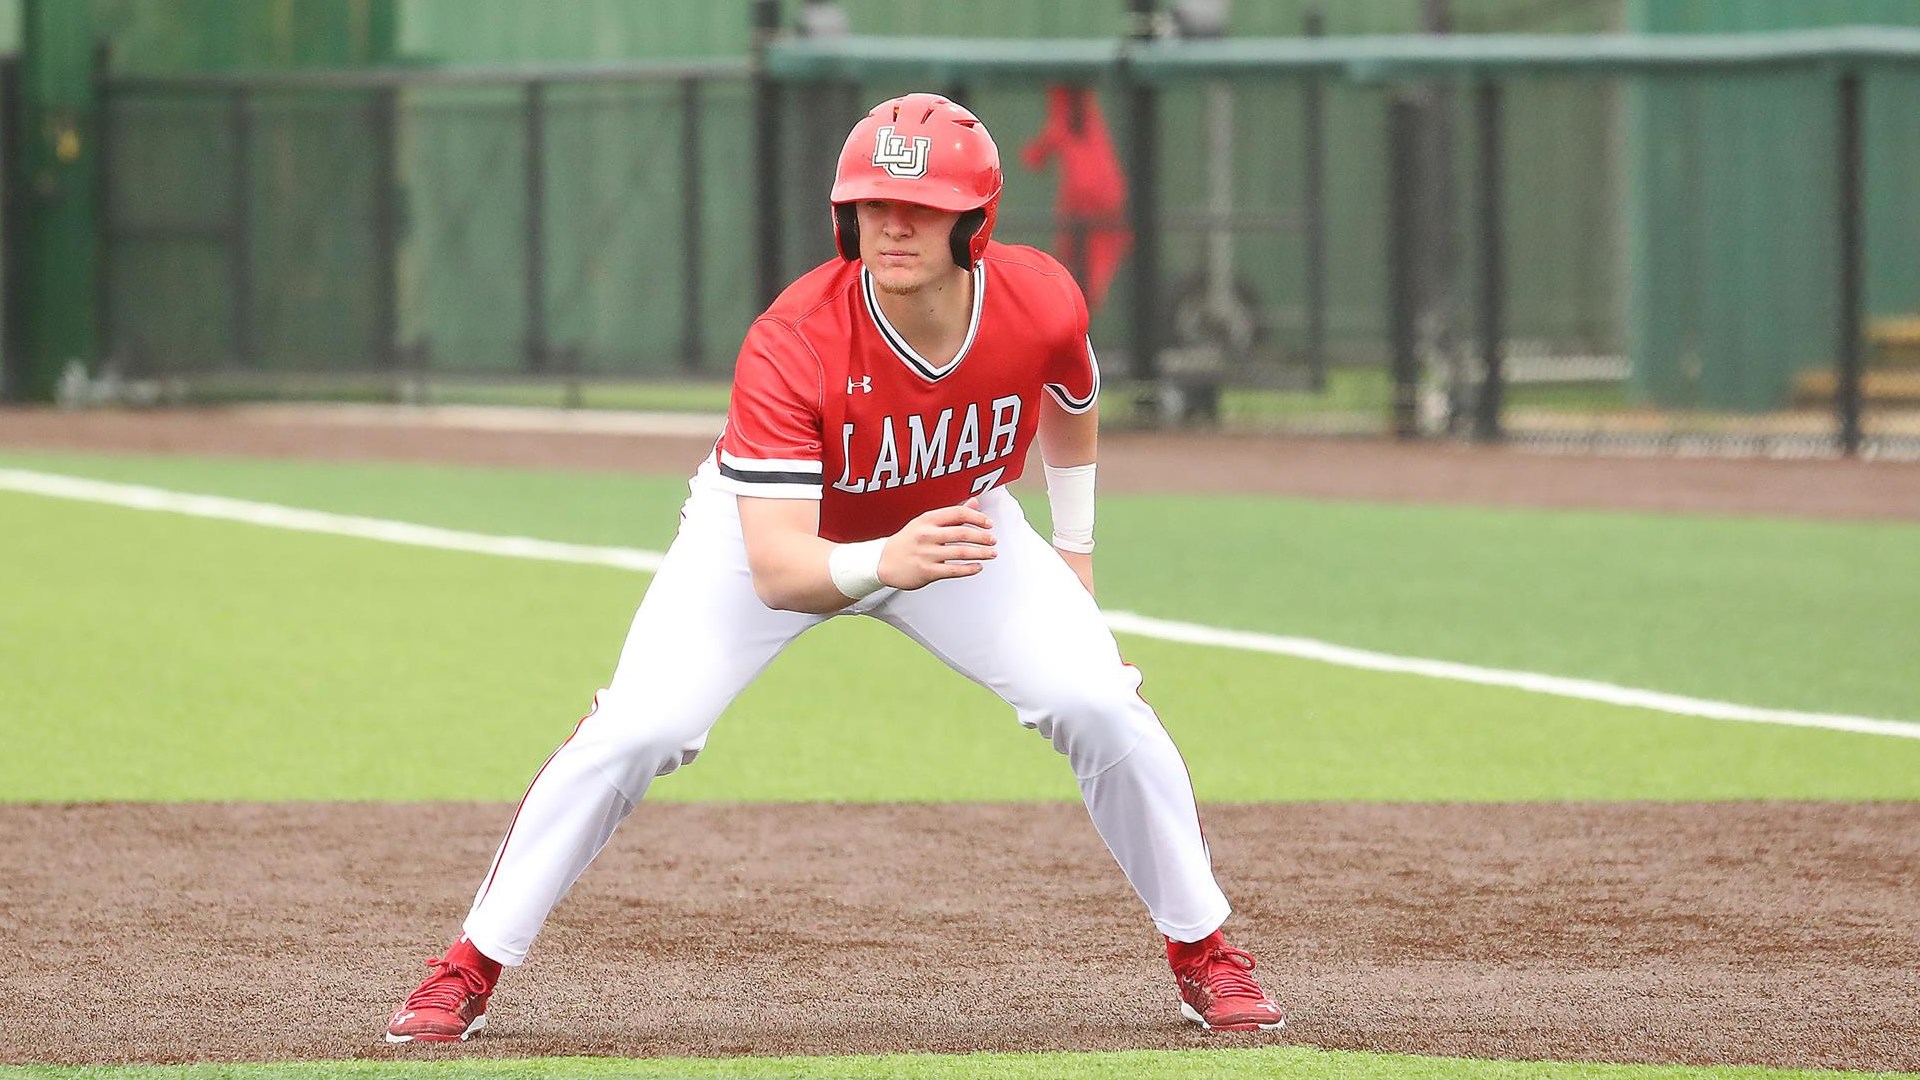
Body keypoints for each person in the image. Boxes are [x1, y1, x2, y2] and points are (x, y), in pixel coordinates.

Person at [384, 92, 1285, 1044]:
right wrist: (887, 560)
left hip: (955, 523)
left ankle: (1203, 948)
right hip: (773, 531)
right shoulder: (795, 339)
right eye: (872, 203)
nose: (892, 224)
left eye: (923, 207)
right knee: (643, 728)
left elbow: (1071, 399)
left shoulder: (1040, 298)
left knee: (1098, 700)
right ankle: (470, 964)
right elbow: (779, 570)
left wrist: (1076, 549)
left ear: (974, 224)